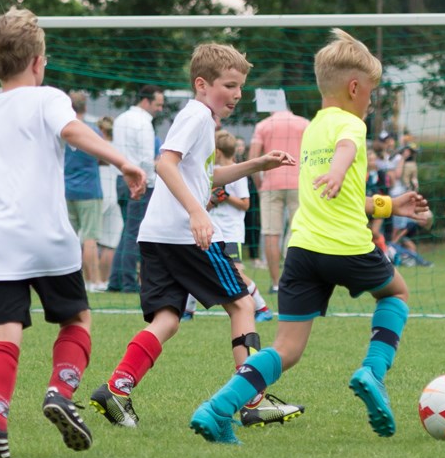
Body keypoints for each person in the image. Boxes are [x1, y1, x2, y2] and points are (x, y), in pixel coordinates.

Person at [189, 30, 429, 445]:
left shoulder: (314, 127)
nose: (371, 101)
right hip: (348, 247)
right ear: (354, 88)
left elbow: (347, 197)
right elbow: (348, 154)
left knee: (286, 348)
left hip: (302, 250)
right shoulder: (351, 125)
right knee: (396, 295)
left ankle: (217, 409)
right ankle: (372, 370)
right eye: (371, 93)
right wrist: (338, 170)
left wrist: (390, 205)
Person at [0, 10, 147, 458]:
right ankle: (60, 392)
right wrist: (121, 160)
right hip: (47, 237)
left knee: (5, 331)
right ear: (38, 62)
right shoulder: (48, 99)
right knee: (75, 320)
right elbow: (73, 130)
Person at [90, 43, 298, 432]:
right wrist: (197, 212)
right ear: (202, 84)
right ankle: (251, 400)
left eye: (241, 87)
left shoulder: (199, 117)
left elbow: (202, 177)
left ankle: (117, 389)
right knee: (242, 305)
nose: (237, 94)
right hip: (186, 237)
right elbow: (164, 163)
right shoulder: (199, 115)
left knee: (167, 319)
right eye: (229, 85)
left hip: (157, 235)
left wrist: (257, 163)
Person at [183, 129, 280, 326]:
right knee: (198, 266)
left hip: (231, 232)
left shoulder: (237, 173)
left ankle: (262, 307)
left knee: (236, 274)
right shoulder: (211, 173)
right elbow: (208, 204)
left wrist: (227, 197)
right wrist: (213, 200)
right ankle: (187, 311)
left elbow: (245, 204)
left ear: (217, 151)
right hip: (212, 229)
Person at [106, 84, 164, 293]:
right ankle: (129, 282)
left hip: (120, 179)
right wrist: (150, 183)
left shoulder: (121, 118)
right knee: (134, 234)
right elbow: (146, 158)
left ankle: (115, 280)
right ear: (146, 101)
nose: (160, 109)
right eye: (158, 104)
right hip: (139, 181)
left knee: (126, 232)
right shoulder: (144, 123)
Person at [249, 102, 309, 293]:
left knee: (271, 233)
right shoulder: (304, 123)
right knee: (299, 232)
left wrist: (260, 185)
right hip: (299, 183)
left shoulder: (264, 125)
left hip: (271, 184)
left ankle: (276, 284)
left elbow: (253, 159)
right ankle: (297, 280)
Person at [63, 91, 106, 291]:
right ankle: (94, 281)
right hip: (89, 190)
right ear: (85, 107)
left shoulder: (62, 130)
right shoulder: (90, 131)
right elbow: (104, 155)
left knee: (70, 238)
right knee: (90, 238)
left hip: (67, 189)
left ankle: (73, 280)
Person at [95, 115, 121, 283]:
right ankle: (104, 281)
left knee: (90, 241)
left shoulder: (96, 147)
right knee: (110, 244)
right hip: (114, 196)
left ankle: (92, 280)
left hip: (98, 195)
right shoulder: (119, 148)